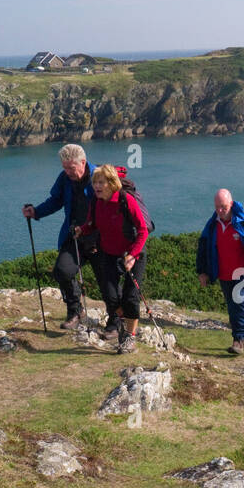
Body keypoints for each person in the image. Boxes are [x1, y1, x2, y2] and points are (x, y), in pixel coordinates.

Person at [22, 144, 105, 331]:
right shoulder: (65, 179)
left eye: (71, 168)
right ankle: (75, 310)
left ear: (83, 162)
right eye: (64, 168)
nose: (67, 172)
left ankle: (116, 323)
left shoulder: (100, 177)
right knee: (62, 271)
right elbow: (56, 201)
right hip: (74, 235)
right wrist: (36, 212)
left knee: (108, 282)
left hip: (100, 239)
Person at [74, 164, 148, 353]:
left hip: (133, 254)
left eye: (101, 182)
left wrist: (132, 255)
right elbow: (93, 223)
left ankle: (129, 338)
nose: (97, 186)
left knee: (131, 297)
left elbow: (142, 230)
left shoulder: (126, 200)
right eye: (95, 182)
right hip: (108, 253)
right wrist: (83, 229)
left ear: (112, 183)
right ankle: (123, 321)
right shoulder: (97, 202)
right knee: (110, 296)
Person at [197, 188, 244, 355]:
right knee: (232, 307)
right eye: (217, 207)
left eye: (223, 207)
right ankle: (243, 338)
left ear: (231, 203)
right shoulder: (212, 224)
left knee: (240, 305)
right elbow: (203, 248)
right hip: (223, 273)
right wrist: (202, 272)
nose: (220, 211)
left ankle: (238, 340)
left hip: (243, 273)